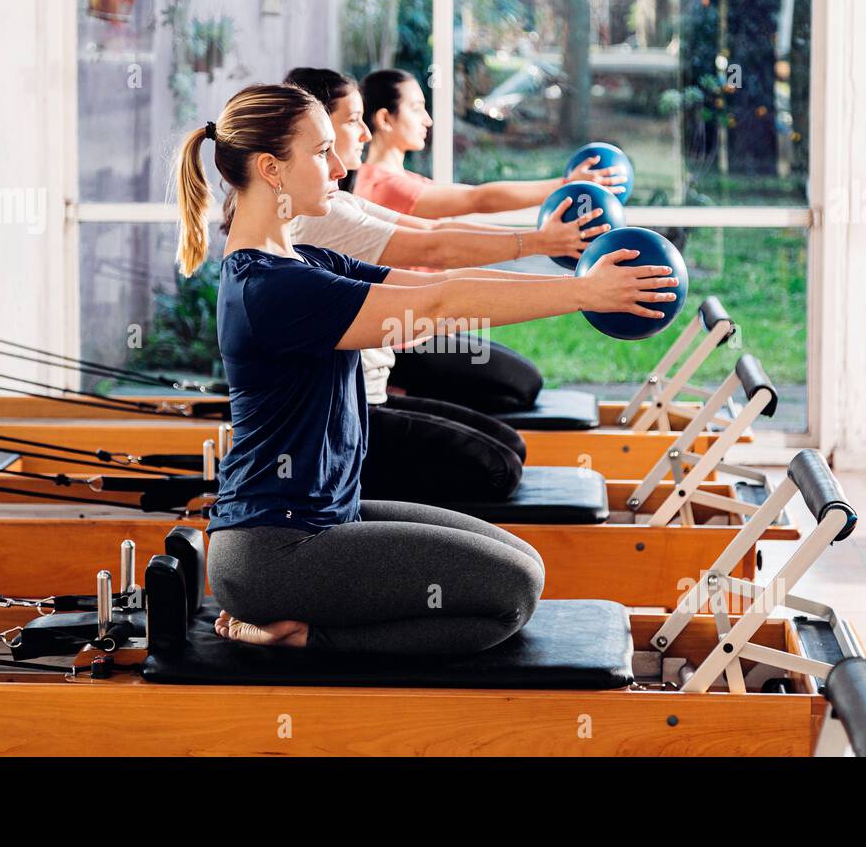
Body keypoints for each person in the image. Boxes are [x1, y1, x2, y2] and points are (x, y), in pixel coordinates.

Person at [173, 83, 676, 656]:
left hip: (322, 514)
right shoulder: (273, 287)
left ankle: (302, 625)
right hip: (276, 551)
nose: (339, 164)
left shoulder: (308, 260)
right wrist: (584, 293)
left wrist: (575, 285)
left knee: (526, 564)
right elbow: (440, 304)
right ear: (271, 169)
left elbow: (436, 287)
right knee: (512, 592)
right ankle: (309, 638)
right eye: (320, 152)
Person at [283, 66, 603, 501]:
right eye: (350, 121)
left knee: (511, 446)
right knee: (500, 461)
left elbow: (437, 240)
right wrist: (549, 244)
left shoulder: (340, 201)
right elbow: (442, 243)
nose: (360, 133)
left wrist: (542, 242)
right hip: (368, 388)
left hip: (378, 379)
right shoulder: (331, 210)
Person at [353, 68, 626, 218]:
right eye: (416, 109)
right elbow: (478, 199)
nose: (428, 120)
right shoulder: (386, 188)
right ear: (385, 119)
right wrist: (565, 184)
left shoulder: (388, 180)